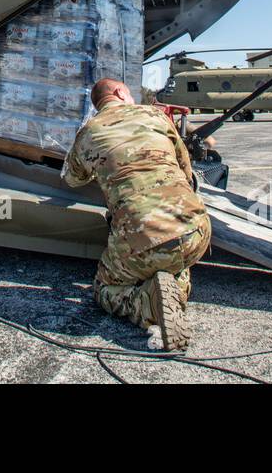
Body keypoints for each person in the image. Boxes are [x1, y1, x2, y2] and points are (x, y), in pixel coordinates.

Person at [62, 79, 211, 350]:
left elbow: (72, 179)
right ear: (120, 93)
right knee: (175, 255)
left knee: (105, 289)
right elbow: (185, 166)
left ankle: (147, 306)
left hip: (140, 240)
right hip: (196, 231)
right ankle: (174, 284)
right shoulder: (154, 114)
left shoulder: (89, 132)